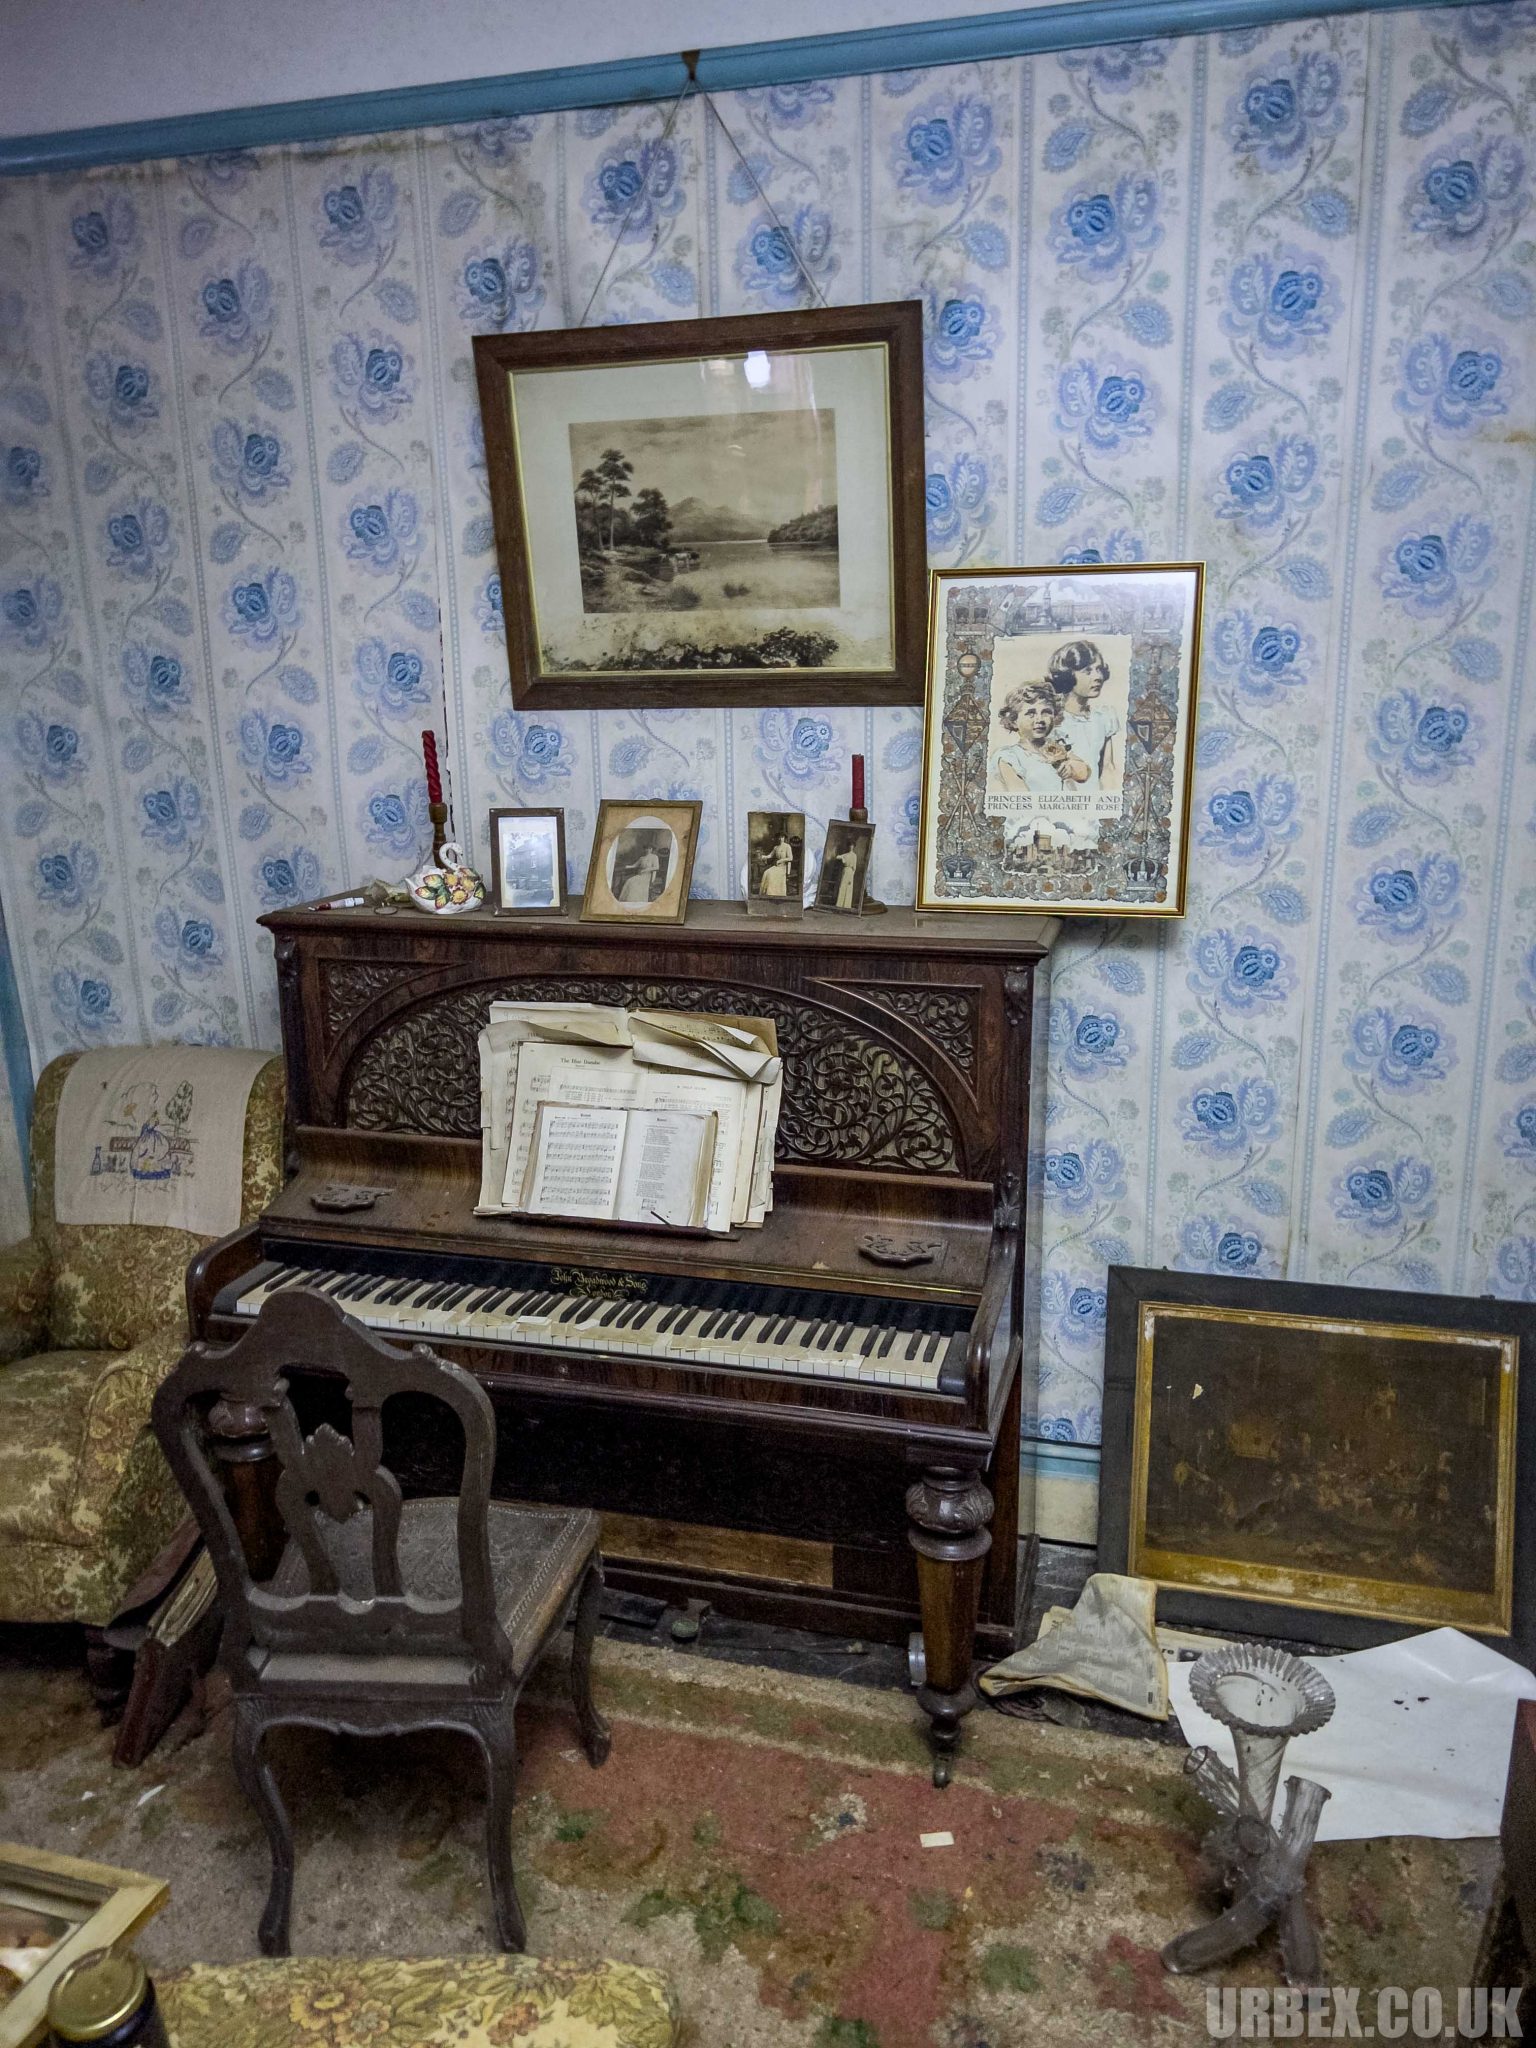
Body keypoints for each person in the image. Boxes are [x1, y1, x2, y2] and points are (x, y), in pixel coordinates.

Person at [1046, 639, 1120, 791]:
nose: (1098, 676)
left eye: (1099, 669)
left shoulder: (1104, 717)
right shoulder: (1050, 720)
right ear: (1068, 676)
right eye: (1088, 671)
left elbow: (1108, 768)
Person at [618, 839, 661, 903]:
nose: (647, 850)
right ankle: (629, 901)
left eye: (649, 848)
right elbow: (634, 865)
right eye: (646, 848)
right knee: (629, 881)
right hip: (640, 875)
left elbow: (657, 867)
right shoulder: (641, 858)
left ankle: (637, 901)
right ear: (644, 849)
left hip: (647, 877)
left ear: (652, 849)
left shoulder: (654, 857)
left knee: (634, 884)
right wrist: (626, 866)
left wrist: (646, 870)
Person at [760, 828, 794, 899]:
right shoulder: (776, 847)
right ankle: (767, 894)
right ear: (777, 838)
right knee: (766, 872)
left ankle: (777, 894)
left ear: (784, 838)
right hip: (776, 867)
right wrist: (764, 857)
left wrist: (780, 861)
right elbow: (770, 855)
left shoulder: (787, 846)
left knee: (771, 875)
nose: (780, 838)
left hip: (784, 867)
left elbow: (790, 858)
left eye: (782, 837)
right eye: (779, 837)